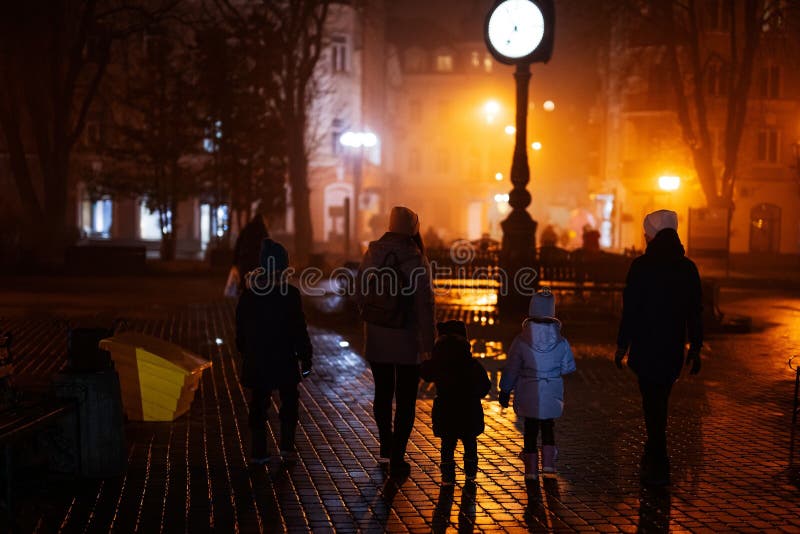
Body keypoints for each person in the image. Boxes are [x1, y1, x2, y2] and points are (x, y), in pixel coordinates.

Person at [615, 209, 703, 486]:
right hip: (671, 346)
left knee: (650, 398)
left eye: (646, 233)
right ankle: (655, 448)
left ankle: (656, 449)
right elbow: (695, 312)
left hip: (645, 345)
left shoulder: (641, 266)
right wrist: (696, 347)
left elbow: (630, 310)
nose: (644, 237)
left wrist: (622, 345)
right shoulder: (687, 268)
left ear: (653, 235)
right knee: (661, 397)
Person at [357, 206, 435, 478]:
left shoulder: (373, 252)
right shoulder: (416, 258)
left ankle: (385, 448)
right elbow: (425, 305)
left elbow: (360, 289)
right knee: (405, 400)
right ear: (413, 228)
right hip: (407, 337)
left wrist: (367, 319)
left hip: (377, 334)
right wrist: (428, 344)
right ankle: (398, 456)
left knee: (382, 392)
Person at [236, 238, 312, 464]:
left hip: (257, 358)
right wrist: (305, 356)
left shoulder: (249, 296)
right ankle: (287, 447)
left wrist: (245, 350)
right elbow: (299, 329)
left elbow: (241, 329)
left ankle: (259, 450)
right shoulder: (290, 295)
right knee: (289, 400)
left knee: (259, 402)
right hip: (284, 358)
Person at [498, 288, 576, 479]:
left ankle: (531, 469)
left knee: (530, 428)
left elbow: (512, 368)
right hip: (551, 391)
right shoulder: (561, 341)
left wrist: (505, 390)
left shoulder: (521, 340)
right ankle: (548, 465)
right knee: (548, 425)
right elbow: (567, 367)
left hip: (528, 391)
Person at [420, 320, 491, 487]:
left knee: (447, 444)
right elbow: (485, 385)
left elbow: (426, 373)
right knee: (470, 442)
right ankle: (471, 472)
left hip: (445, 408)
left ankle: (448, 476)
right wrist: (475, 395)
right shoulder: (471, 363)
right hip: (469, 408)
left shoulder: (438, 362)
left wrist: (426, 360)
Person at [231, 205, 271, 289]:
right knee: (258, 282)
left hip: (245, 260)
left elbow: (238, 245)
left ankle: (243, 293)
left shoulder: (247, 228)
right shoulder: (262, 230)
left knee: (244, 279)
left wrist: (235, 262)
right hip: (257, 260)